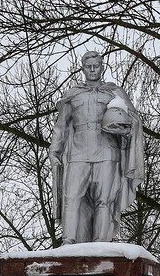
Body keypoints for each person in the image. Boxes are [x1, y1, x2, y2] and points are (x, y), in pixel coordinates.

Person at [49, 50, 145, 244]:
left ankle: (101, 243)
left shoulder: (114, 92)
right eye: (88, 66)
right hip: (77, 151)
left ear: (102, 67)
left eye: (96, 66)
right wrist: (54, 150)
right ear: (82, 68)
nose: (92, 69)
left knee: (105, 200)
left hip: (108, 151)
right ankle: (68, 241)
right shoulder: (73, 94)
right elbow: (61, 126)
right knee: (71, 197)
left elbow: (133, 120)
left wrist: (124, 128)